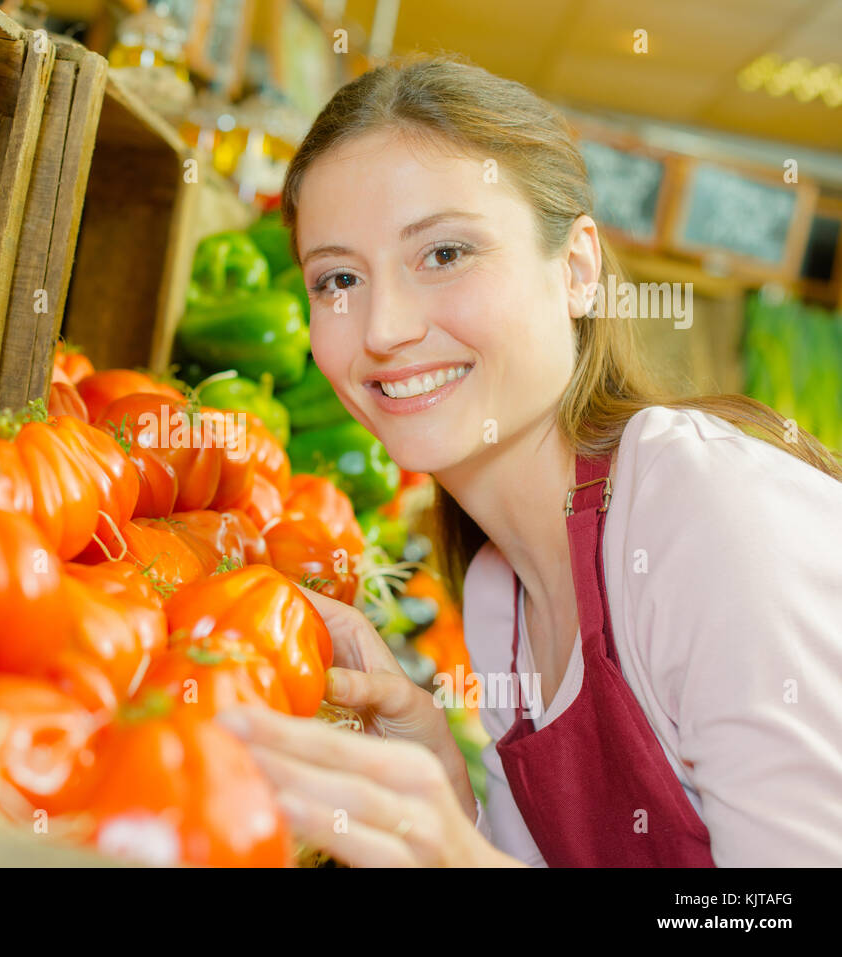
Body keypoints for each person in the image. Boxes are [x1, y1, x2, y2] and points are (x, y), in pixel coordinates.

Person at [213, 53, 842, 867]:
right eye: (338, 277)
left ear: (577, 270)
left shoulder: (700, 508)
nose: (382, 328)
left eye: (444, 253)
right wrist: (444, 781)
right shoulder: (496, 593)